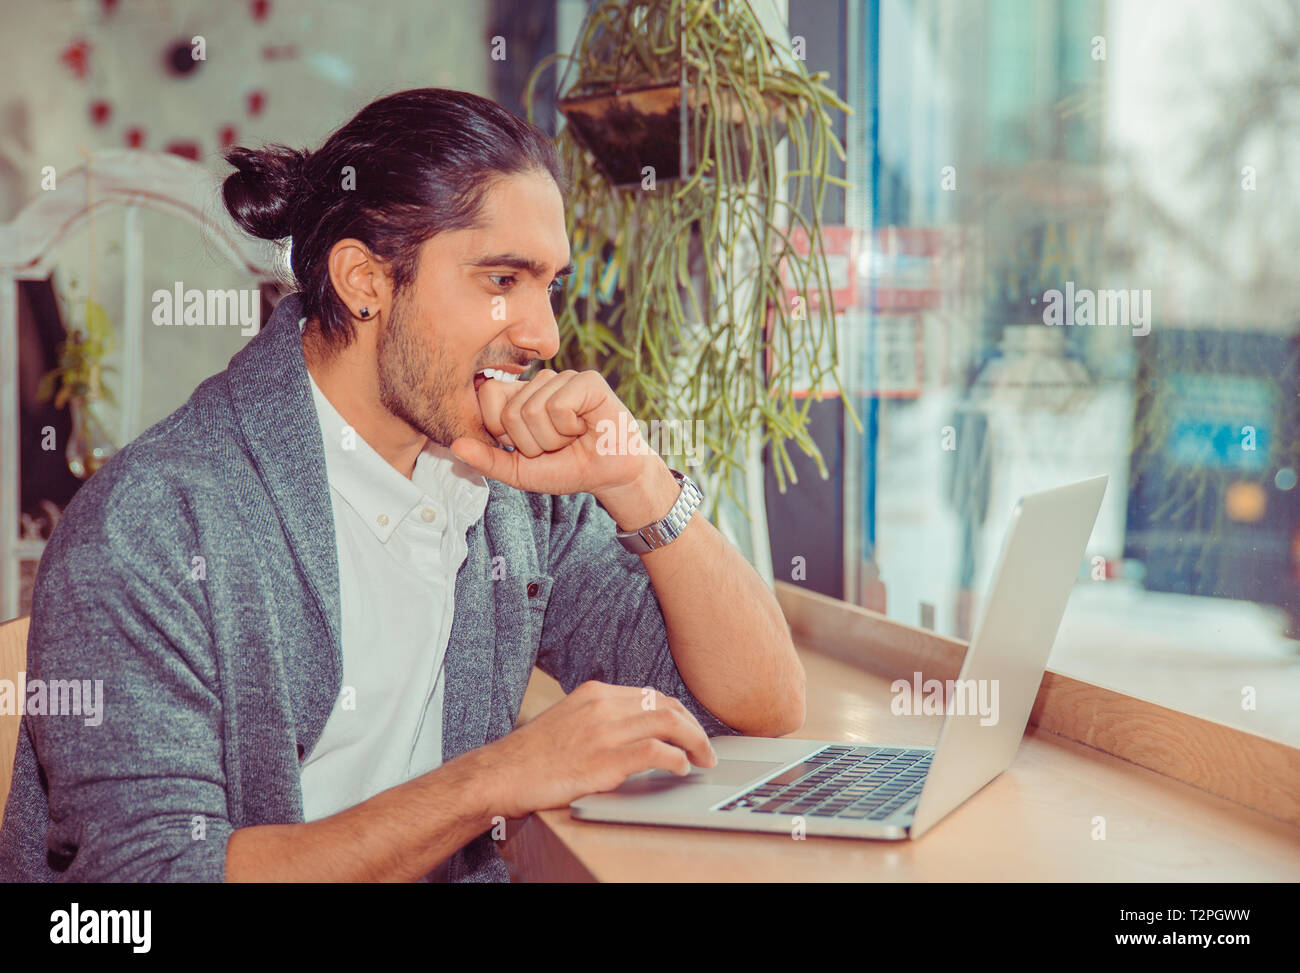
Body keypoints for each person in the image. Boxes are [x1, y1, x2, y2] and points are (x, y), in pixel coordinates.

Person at [0, 87, 805, 882]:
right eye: (501, 280)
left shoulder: (515, 489)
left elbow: (754, 704)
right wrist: (493, 778)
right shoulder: (155, 525)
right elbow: (151, 885)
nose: (545, 334)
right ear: (364, 281)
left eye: (549, 286)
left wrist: (639, 478)